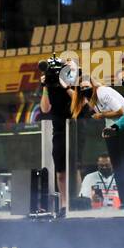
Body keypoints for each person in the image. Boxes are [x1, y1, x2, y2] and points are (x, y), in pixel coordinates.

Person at [83, 71, 124, 209]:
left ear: (92, 85)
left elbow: (122, 111)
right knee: (117, 167)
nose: (84, 89)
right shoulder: (91, 100)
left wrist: (102, 115)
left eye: (86, 86)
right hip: (111, 131)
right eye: (81, 88)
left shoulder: (102, 92)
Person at [38, 55, 79, 211]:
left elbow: (79, 102)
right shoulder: (50, 83)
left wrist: (65, 86)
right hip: (59, 129)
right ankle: (64, 204)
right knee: (60, 171)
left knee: (74, 168)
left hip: (75, 127)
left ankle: (75, 200)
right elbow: (45, 109)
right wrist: (45, 87)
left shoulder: (76, 80)